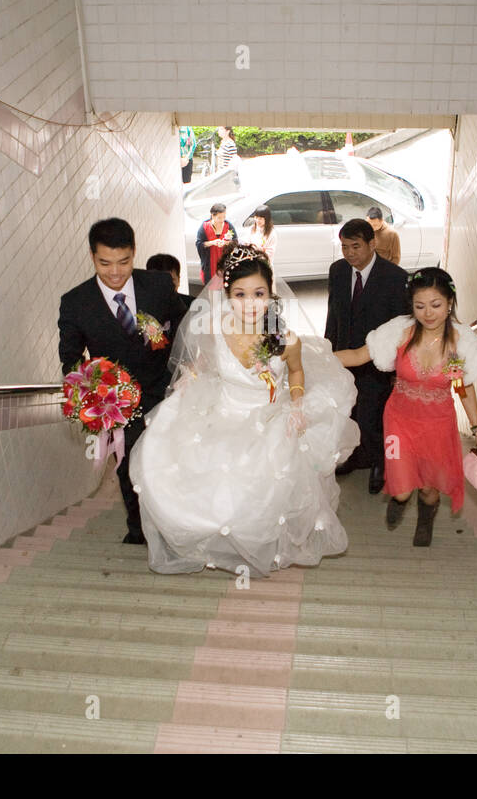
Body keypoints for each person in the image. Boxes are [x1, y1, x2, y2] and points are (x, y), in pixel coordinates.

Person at [129, 243, 358, 574]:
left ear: (270, 292)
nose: (250, 304)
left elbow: (296, 371)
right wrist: (190, 377)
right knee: (204, 481)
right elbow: (205, 361)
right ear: (226, 293)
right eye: (240, 294)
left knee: (263, 489)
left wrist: (296, 402)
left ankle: (258, 545)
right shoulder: (214, 326)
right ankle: (220, 545)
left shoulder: (285, 339)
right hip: (221, 410)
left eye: (258, 293)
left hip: (267, 416)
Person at [335, 267, 477, 546]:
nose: (428, 313)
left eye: (436, 305)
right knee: (400, 488)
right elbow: (358, 356)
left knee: (430, 489)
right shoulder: (399, 332)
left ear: (449, 304)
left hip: (438, 423)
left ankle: (426, 515)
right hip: (400, 419)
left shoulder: (460, 344)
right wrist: (311, 356)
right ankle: (399, 500)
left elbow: (463, 388)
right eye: (420, 306)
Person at [58, 219, 188, 544]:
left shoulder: (158, 285)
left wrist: (188, 363)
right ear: (92, 256)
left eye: (124, 262)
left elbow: (186, 324)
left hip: (166, 390)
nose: (115, 272)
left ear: (134, 253)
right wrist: (90, 396)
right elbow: (71, 361)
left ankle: (179, 525)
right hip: (119, 403)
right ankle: (139, 530)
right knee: (130, 467)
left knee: (171, 462)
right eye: (105, 263)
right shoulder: (75, 303)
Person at [324, 218, 409, 495]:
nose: (349, 253)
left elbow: (401, 325)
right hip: (345, 355)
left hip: (377, 360)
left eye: (355, 246)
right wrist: (328, 351)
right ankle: (355, 456)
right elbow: (333, 315)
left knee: (374, 412)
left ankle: (378, 463)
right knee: (350, 408)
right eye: (344, 247)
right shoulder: (337, 271)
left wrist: (398, 369)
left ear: (372, 244)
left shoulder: (394, 277)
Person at [195, 202, 237, 284]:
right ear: (212, 216)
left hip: (225, 263)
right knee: (212, 291)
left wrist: (226, 243)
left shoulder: (228, 226)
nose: (222, 220)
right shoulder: (204, 227)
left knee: (226, 289)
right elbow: (199, 244)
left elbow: (235, 242)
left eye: (224, 217)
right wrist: (212, 242)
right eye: (219, 218)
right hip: (210, 265)